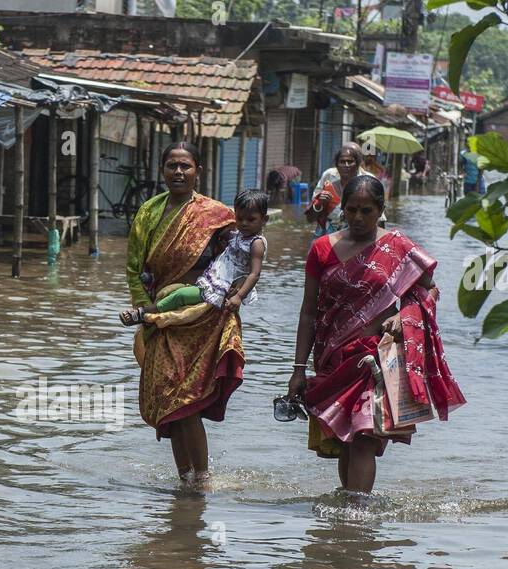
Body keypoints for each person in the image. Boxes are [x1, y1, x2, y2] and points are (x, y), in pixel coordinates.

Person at [285, 175, 465, 493]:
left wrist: (403, 316)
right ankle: (349, 511)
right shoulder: (321, 250)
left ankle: (357, 518)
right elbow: (308, 311)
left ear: (380, 209)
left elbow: (430, 289)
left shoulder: (397, 247)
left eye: (365, 210)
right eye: (351, 209)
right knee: (344, 437)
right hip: (333, 357)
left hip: (374, 357)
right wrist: (298, 369)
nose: (357, 217)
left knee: (365, 434)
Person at [125, 142, 243, 487]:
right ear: (162, 171)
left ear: (198, 172)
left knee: (187, 401)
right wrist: (145, 313)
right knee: (170, 404)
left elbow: (239, 261)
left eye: (185, 166)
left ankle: (202, 478)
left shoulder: (217, 216)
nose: (178, 172)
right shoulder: (148, 213)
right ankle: (185, 479)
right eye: (172, 166)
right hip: (161, 319)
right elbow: (134, 268)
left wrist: (229, 299)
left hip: (202, 321)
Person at [119, 188, 268, 324]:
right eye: (240, 218)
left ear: (264, 220)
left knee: (180, 296)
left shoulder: (256, 244)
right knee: (172, 292)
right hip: (212, 278)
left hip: (220, 287)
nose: (244, 223)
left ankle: (145, 314)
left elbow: (254, 274)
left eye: (251, 220)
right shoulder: (239, 236)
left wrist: (239, 296)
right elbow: (223, 234)